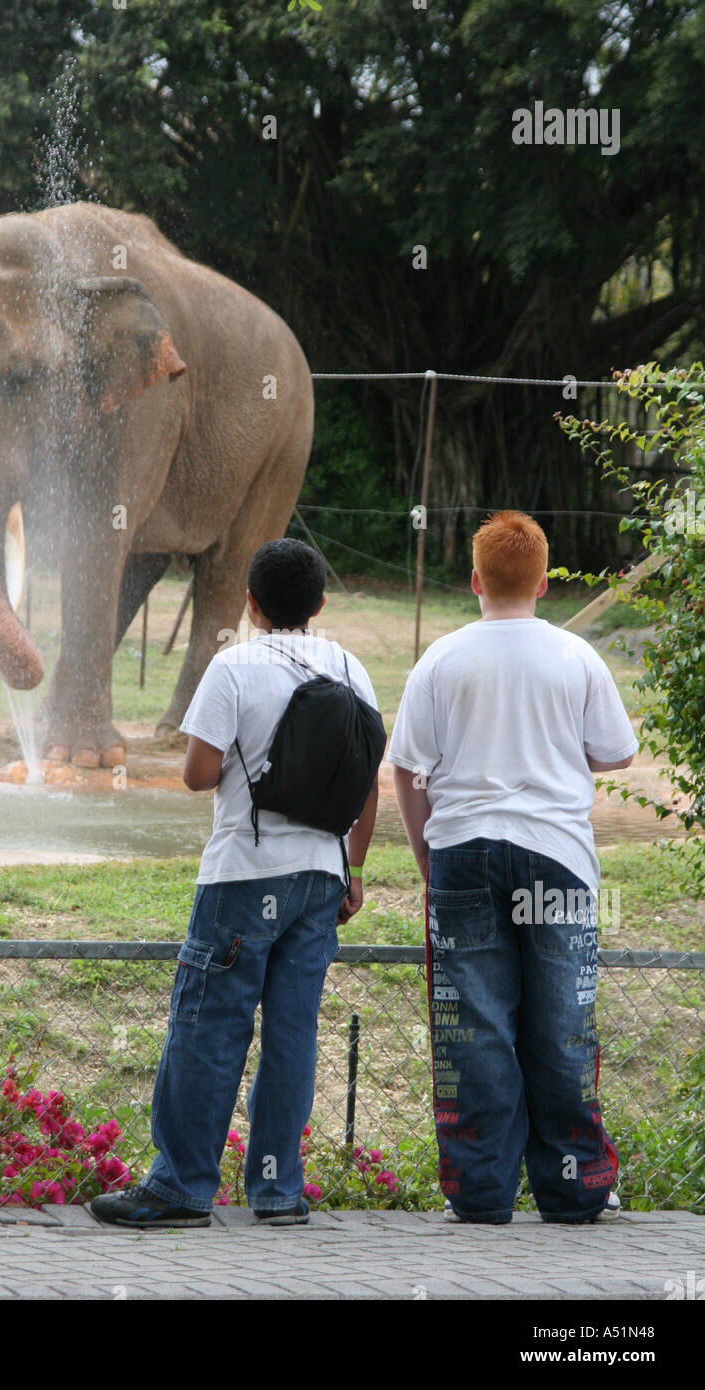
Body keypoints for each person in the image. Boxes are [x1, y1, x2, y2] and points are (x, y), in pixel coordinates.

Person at [91, 538, 380, 1228]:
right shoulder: (351, 667)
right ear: (317, 604)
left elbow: (197, 773)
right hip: (319, 876)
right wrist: (354, 869)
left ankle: (181, 1188)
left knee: (208, 1026)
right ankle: (278, 1191)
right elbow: (366, 783)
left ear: (249, 602)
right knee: (291, 1033)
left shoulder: (234, 666)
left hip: (245, 877)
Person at [389, 510, 637, 1225]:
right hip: (556, 858)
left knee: (472, 1026)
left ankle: (478, 1192)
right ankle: (574, 1189)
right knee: (560, 1023)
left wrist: (425, 857)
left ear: (474, 580)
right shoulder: (575, 657)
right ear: (543, 579)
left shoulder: (440, 658)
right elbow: (615, 753)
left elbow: (407, 770)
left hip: (463, 854)